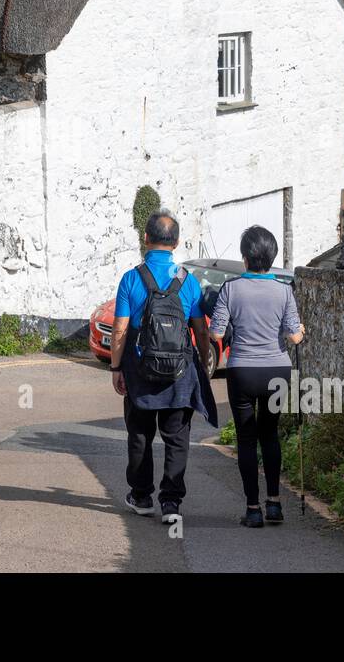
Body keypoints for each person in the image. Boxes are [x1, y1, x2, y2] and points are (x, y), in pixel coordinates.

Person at [108, 212, 217, 525]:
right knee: (177, 437)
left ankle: (141, 496)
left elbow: (119, 329)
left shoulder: (132, 278)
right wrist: (203, 365)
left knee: (140, 433)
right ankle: (171, 504)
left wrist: (116, 368)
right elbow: (200, 329)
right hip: (180, 371)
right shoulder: (188, 280)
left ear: (145, 239)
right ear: (177, 242)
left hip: (141, 368)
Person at [209, 225, 304, 528]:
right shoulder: (284, 290)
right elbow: (295, 337)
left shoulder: (231, 288)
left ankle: (253, 510)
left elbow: (217, 332)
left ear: (245, 257)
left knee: (247, 440)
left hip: (243, 371)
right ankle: (274, 503)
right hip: (276, 370)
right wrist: (300, 330)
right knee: (270, 434)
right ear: (272, 256)